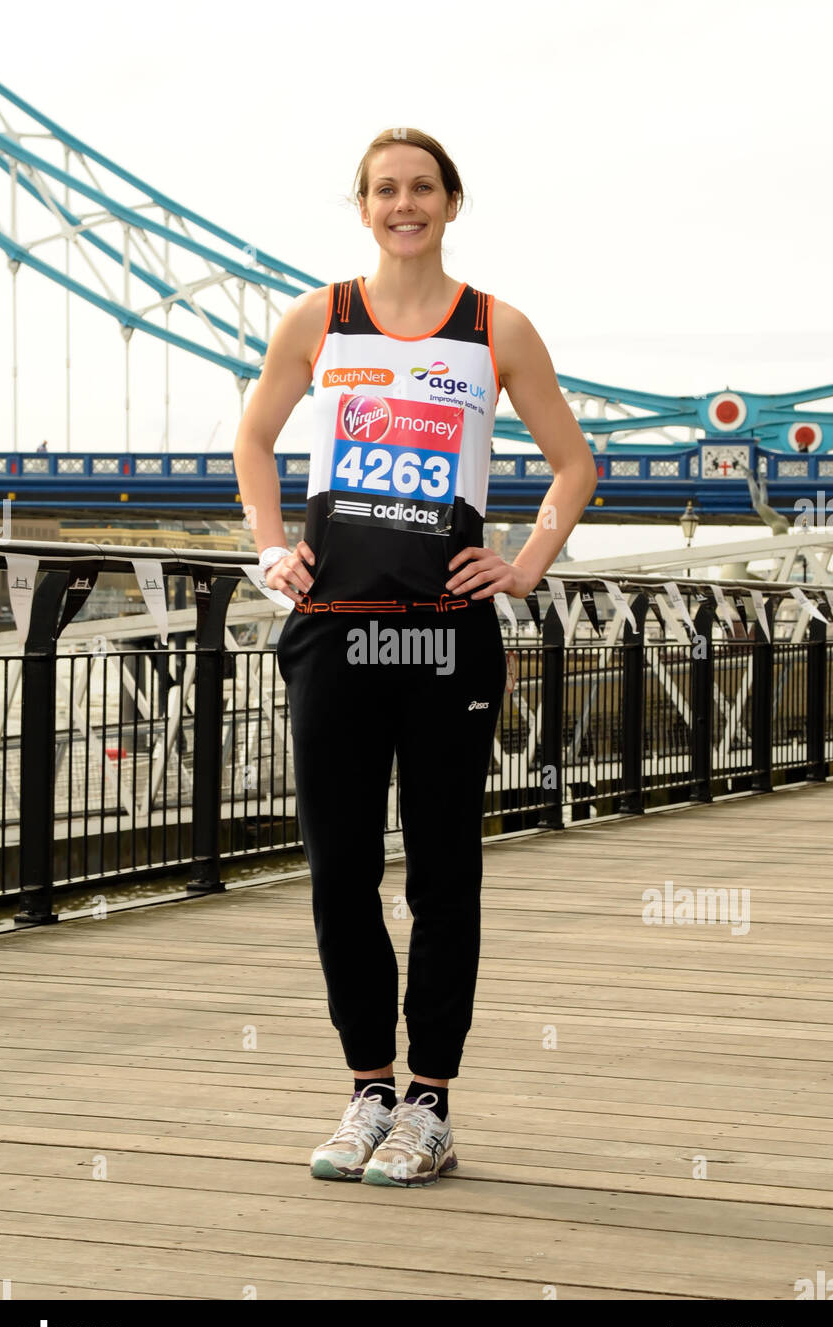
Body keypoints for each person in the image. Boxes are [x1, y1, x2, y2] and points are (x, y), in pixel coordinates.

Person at [233, 128, 596, 1188]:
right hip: (333, 629)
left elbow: (575, 466)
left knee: (445, 873)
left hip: (449, 640)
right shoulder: (319, 319)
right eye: (385, 189)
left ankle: (429, 1104)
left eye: (422, 188)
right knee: (340, 872)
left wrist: (525, 564)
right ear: (362, 206)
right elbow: (253, 440)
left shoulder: (497, 329)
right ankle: (367, 1091)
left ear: (451, 201)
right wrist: (266, 549)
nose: (405, 204)